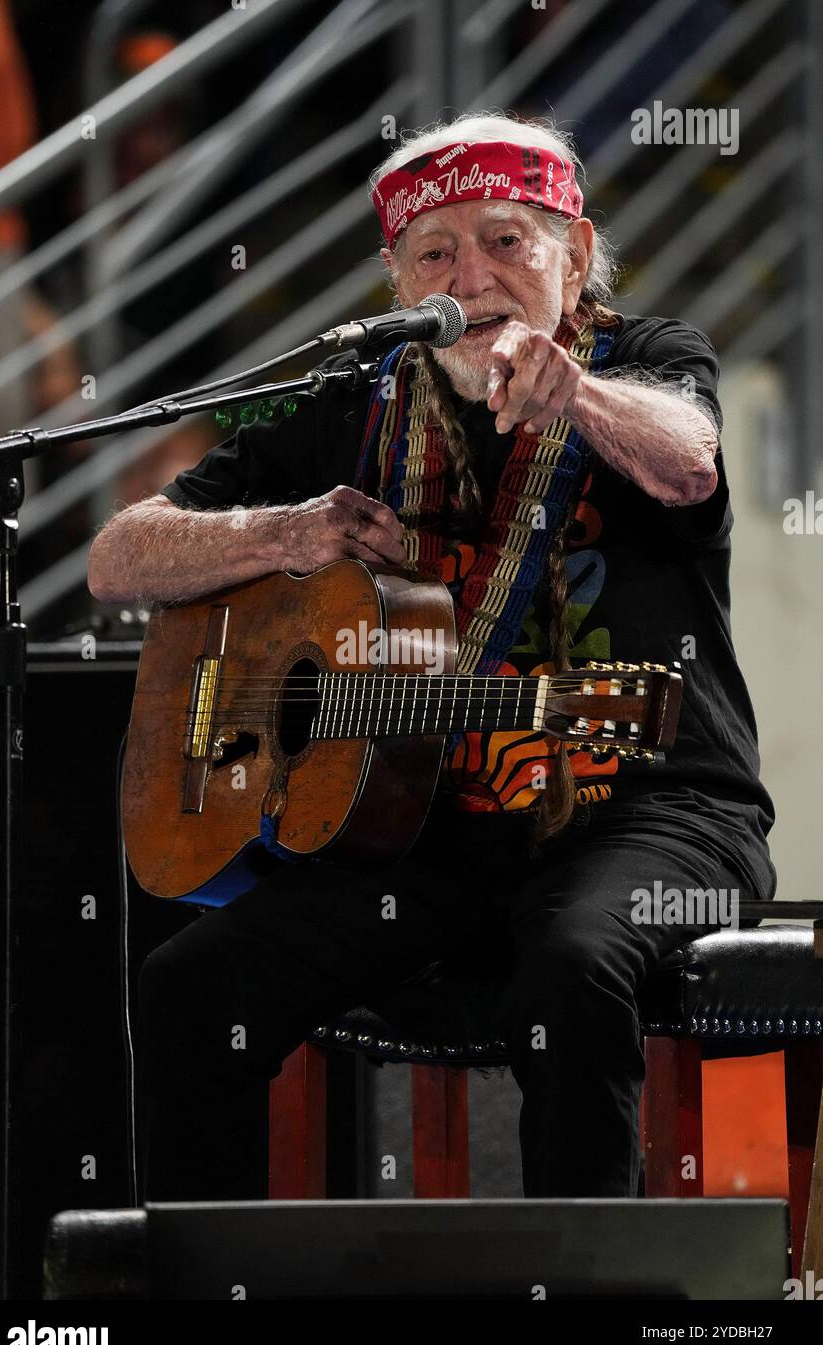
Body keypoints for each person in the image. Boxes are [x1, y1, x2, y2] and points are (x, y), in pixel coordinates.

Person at [87, 113, 776, 1203]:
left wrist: (577, 397)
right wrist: (281, 533)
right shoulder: (353, 406)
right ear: (395, 281)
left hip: (652, 809)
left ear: (576, 252)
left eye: (506, 240)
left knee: (568, 970)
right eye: (436, 253)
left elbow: (689, 465)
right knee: (190, 983)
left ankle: (584, 1302)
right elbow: (116, 558)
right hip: (425, 835)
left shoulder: (648, 359)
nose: (475, 277)